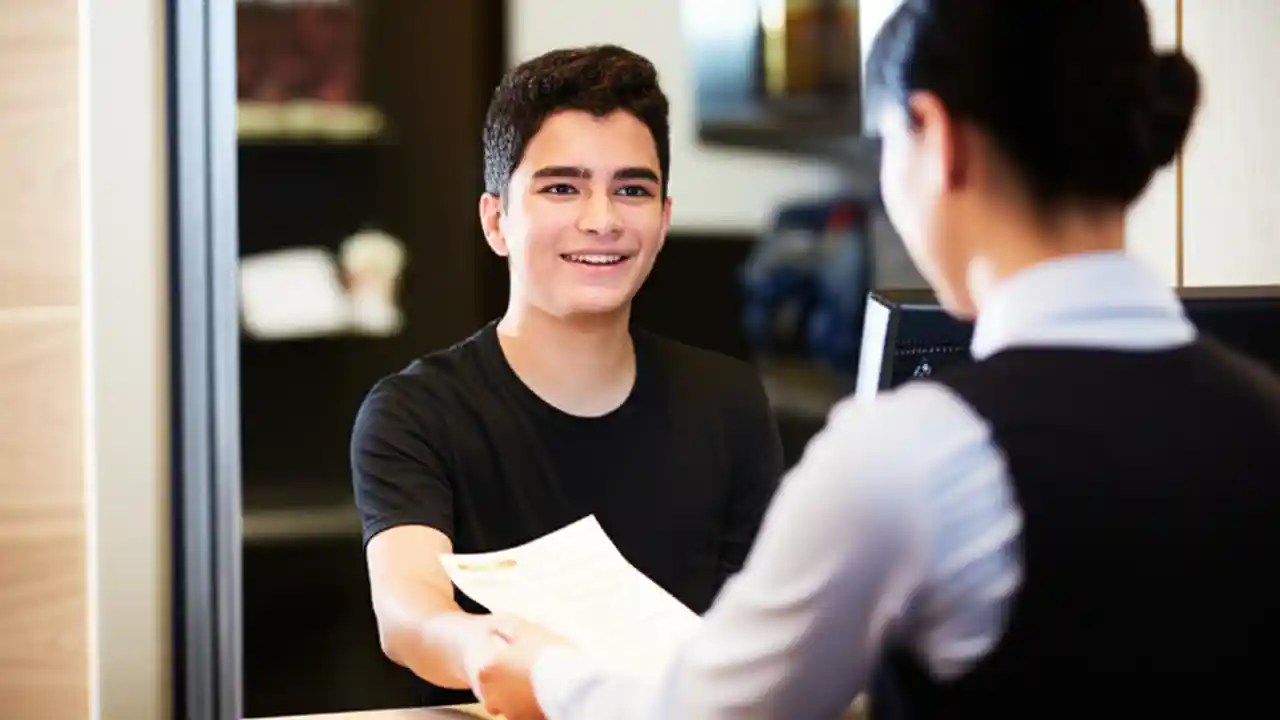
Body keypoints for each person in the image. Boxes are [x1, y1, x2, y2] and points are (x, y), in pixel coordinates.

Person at [473, 1, 1280, 718]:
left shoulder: (914, 453)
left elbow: (712, 711)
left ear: (936, 139)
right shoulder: (1262, 413)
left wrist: (548, 678)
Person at [349, 44, 785, 708]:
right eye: (561, 187)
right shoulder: (416, 413)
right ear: (496, 220)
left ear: (663, 220)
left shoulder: (729, 400)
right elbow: (409, 616)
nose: (601, 220)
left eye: (632, 190)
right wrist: (481, 647)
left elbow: (761, 627)